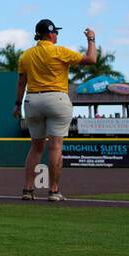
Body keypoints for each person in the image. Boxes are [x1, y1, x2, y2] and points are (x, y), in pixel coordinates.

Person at [16, 19, 96, 201]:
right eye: (56, 32)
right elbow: (91, 59)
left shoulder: (26, 55)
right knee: (55, 146)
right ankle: (53, 191)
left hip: (33, 100)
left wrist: (17, 104)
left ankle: (28, 190)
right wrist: (91, 39)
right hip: (56, 99)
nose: (57, 35)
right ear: (51, 34)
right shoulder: (59, 51)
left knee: (36, 148)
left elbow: (21, 82)